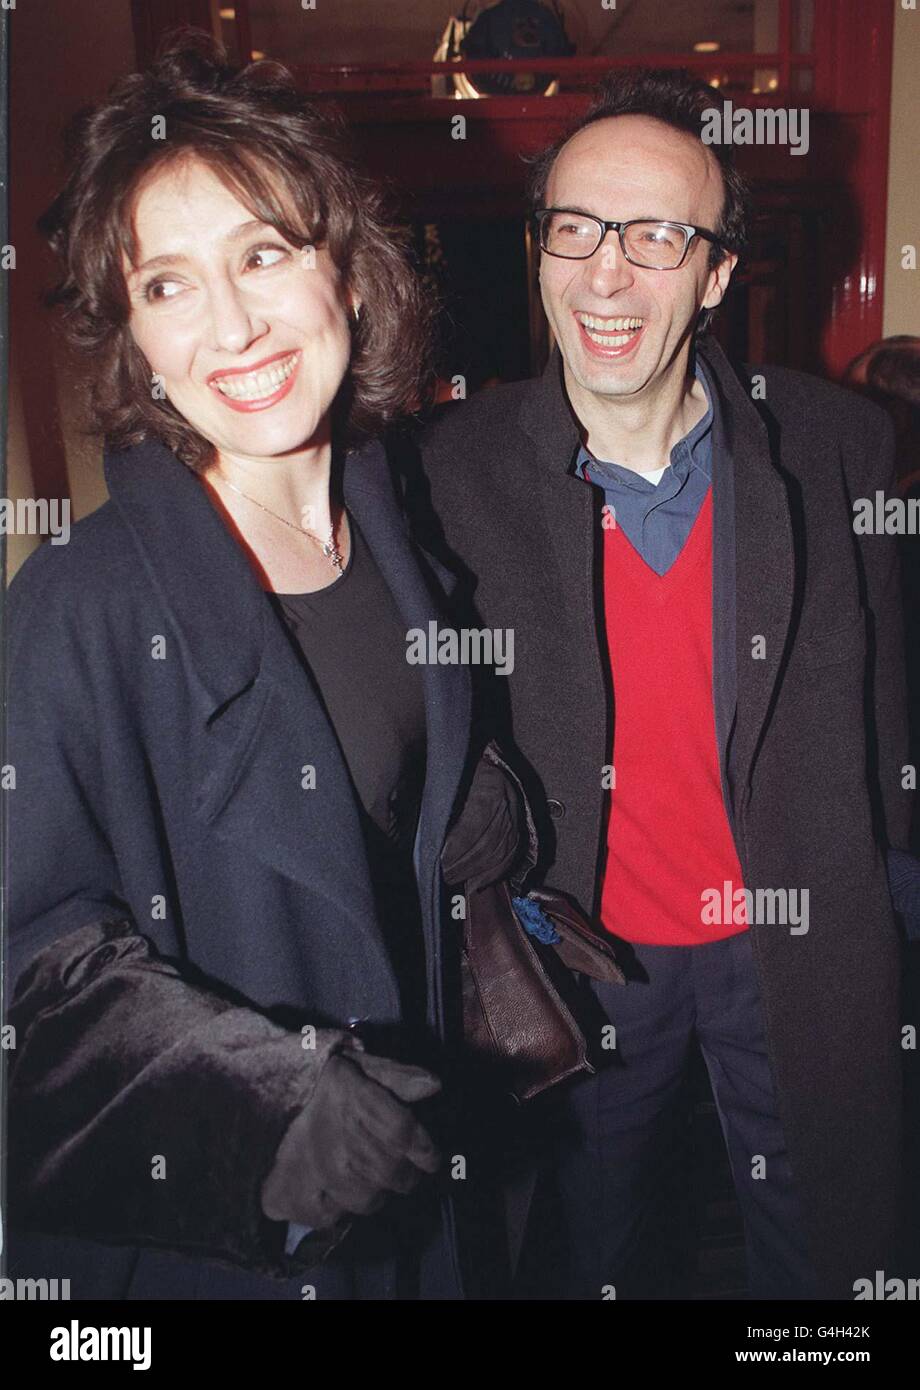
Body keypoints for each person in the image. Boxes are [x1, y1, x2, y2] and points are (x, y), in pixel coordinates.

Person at [6, 31, 526, 1301]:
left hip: (413, 1190)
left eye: (262, 255)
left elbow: (394, 776)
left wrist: (484, 803)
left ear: (347, 274)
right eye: (168, 285)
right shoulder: (82, 597)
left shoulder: (393, 528)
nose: (229, 324)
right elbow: (27, 966)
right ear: (134, 333)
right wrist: (262, 1105)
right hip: (225, 1240)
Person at [401, 67, 916, 1299]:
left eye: (656, 236)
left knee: (828, 1253)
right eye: (573, 229)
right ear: (537, 252)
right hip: (575, 957)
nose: (606, 274)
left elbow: (888, 708)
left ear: (718, 272)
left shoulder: (843, 446)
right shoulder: (439, 469)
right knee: (582, 1254)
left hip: (793, 945)